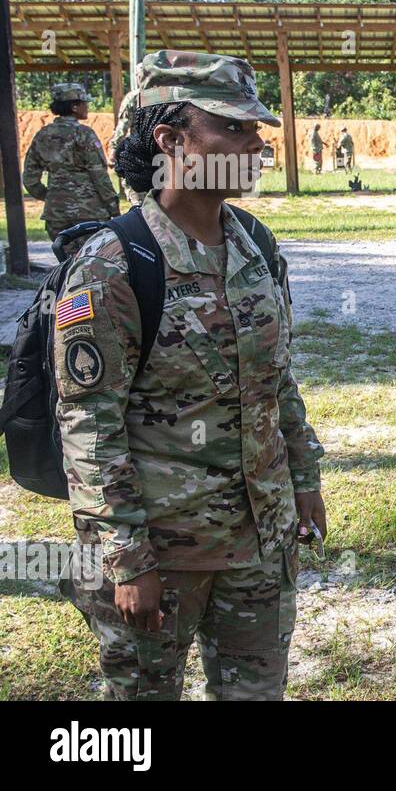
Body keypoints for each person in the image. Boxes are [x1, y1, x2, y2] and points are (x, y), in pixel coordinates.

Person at [54, 49, 326, 700]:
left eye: (257, 129)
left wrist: (305, 476)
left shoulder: (256, 245)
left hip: (261, 541)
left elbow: (276, 379)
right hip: (163, 555)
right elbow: (90, 429)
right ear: (171, 140)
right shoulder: (112, 264)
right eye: (233, 128)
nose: (256, 143)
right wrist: (127, 559)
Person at [22, 82, 120, 255]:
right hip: (90, 213)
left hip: (56, 215)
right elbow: (99, 176)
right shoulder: (84, 134)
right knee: (90, 263)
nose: (87, 106)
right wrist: (114, 208)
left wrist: (52, 197)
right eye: (84, 102)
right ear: (74, 106)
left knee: (65, 264)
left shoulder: (43, 135)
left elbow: (30, 178)